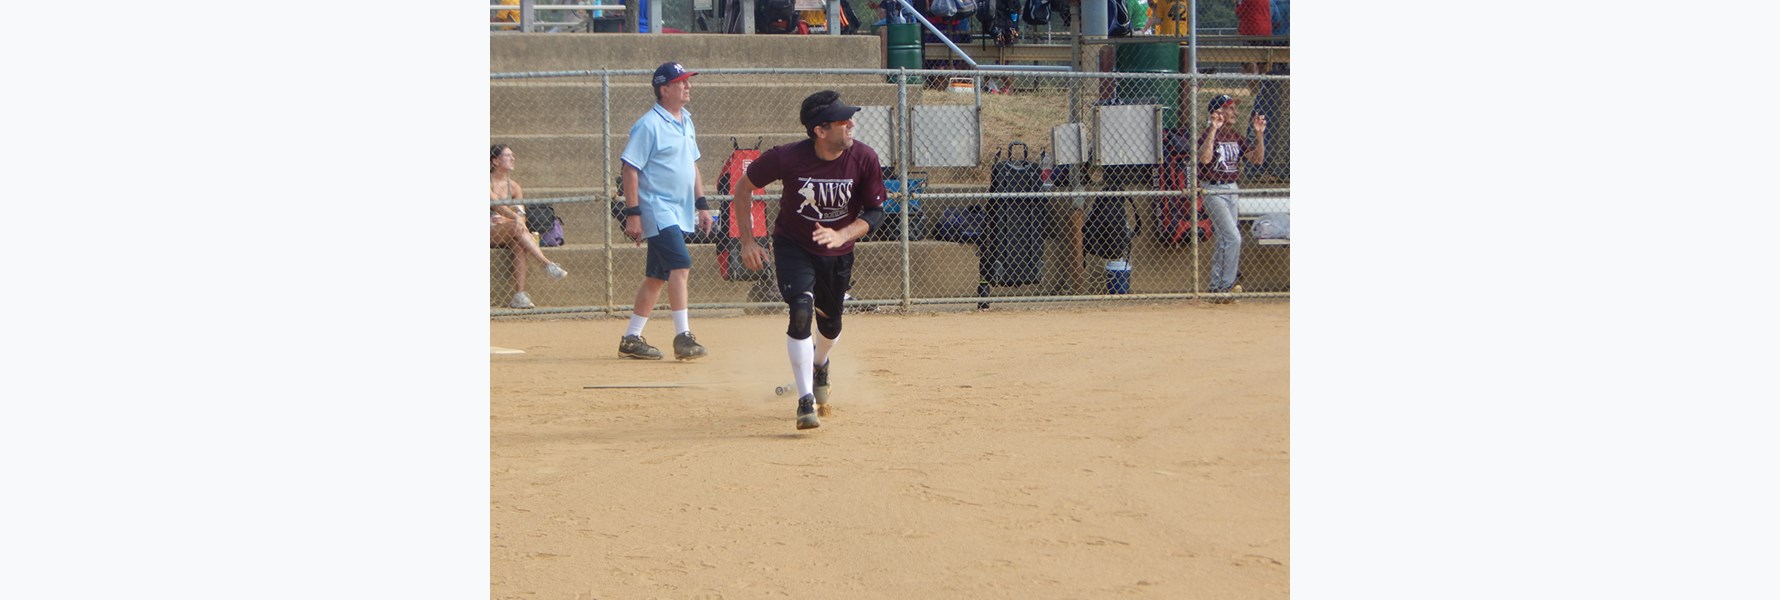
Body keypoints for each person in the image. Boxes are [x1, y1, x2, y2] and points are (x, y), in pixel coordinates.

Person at [735, 90, 887, 430]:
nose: (851, 124)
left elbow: (876, 212)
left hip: (838, 253)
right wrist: (747, 240)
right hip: (794, 245)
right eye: (843, 121)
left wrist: (843, 234)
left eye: (851, 119)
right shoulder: (787, 157)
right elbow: (743, 188)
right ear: (820, 130)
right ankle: (805, 400)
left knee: (830, 325)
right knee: (801, 310)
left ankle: (820, 363)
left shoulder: (864, 157)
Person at [616, 62, 713, 361]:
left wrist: (702, 204)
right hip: (656, 207)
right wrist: (634, 212)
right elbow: (630, 168)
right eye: (680, 81)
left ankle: (631, 339)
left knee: (657, 277)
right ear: (664, 89)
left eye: (687, 81)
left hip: (679, 207)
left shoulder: (686, 119)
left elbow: (692, 165)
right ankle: (683, 337)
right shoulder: (649, 124)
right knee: (680, 264)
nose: (687, 85)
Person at [1197, 94, 1264, 302]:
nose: (1234, 112)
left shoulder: (1235, 136)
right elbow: (1205, 159)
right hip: (1213, 189)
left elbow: (1257, 159)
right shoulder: (1208, 135)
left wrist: (1259, 135)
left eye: (1235, 108)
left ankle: (1217, 287)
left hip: (1232, 188)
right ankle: (1225, 286)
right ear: (1217, 113)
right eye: (1229, 108)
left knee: (1225, 239)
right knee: (1233, 237)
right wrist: (1214, 129)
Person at [491, 145, 569, 309]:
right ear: (495, 160)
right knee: (516, 226)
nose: (513, 158)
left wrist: (511, 219)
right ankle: (546, 263)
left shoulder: (514, 187)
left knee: (520, 243)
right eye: (507, 155)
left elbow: (521, 214)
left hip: (505, 229)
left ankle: (519, 295)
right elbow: (497, 205)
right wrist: (513, 218)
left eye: (513, 155)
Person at [1236, 0, 1273, 74]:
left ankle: (1253, 83)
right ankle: (1263, 82)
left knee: (1248, 62)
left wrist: (1237, 4)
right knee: (1263, 62)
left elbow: (1239, 11)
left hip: (1250, 31)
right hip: (1265, 31)